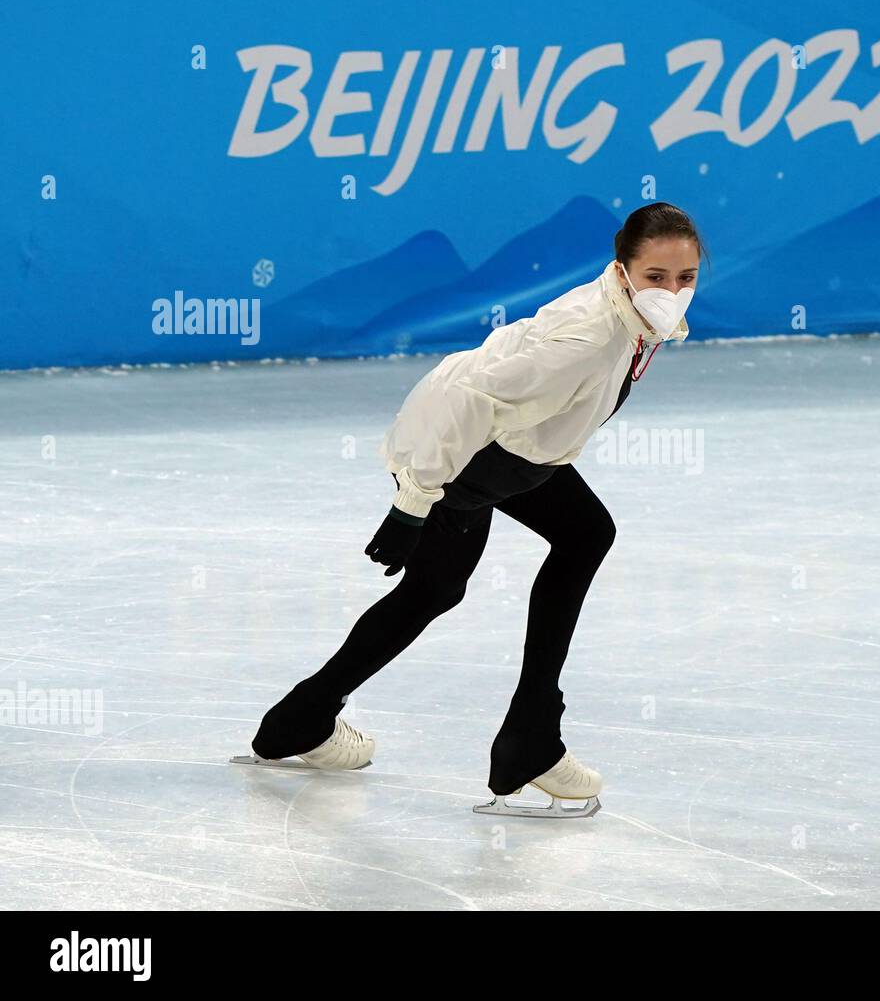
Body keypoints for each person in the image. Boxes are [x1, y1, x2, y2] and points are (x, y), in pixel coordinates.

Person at [240, 201, 708, 817]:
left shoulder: (627, 320)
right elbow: (467, 394)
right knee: (436, 589)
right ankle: (523, 741)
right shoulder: (587, 334)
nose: (671, 292)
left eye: (685, 279)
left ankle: (303, 721)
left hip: (518, 451)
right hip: (467, 456)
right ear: (622, 272)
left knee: (581, 535)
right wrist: (414, 502)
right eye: (656, 277)